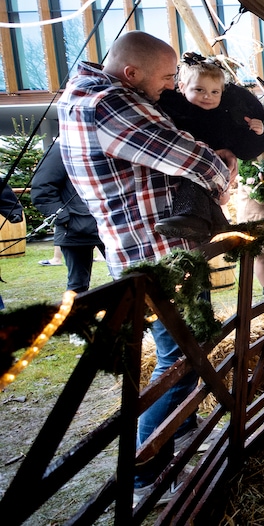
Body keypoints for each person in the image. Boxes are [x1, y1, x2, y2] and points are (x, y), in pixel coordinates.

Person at [56, 31, 232, 501]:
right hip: (158, 254)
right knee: (180, 358)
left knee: (186, 352)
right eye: (168, 77)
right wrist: (220, 173)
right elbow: (192, 157)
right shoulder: (110, 104)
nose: (172, 86)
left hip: (149, 251)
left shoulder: (93, 97)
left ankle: (179, 436)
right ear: (131, 72)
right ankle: (145, 475)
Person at [153, 53, 264, 240]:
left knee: (202, 187)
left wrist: (258, 132)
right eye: (199, 90)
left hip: (216, 170)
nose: (207, 96)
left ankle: (210, 222)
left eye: (215, 92)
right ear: (182, 87)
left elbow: (245, 148)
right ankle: (198, 219)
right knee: (195, 183)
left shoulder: (225, 117)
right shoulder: (174, 112)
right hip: (189, 168)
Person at [30, 140, 106, 293]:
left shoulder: (105, 142)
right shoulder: (60, 147)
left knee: (127, 276)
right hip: (74, 228)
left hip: (110, 223)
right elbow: (42, 189)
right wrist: (64, 219)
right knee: (77, 285)